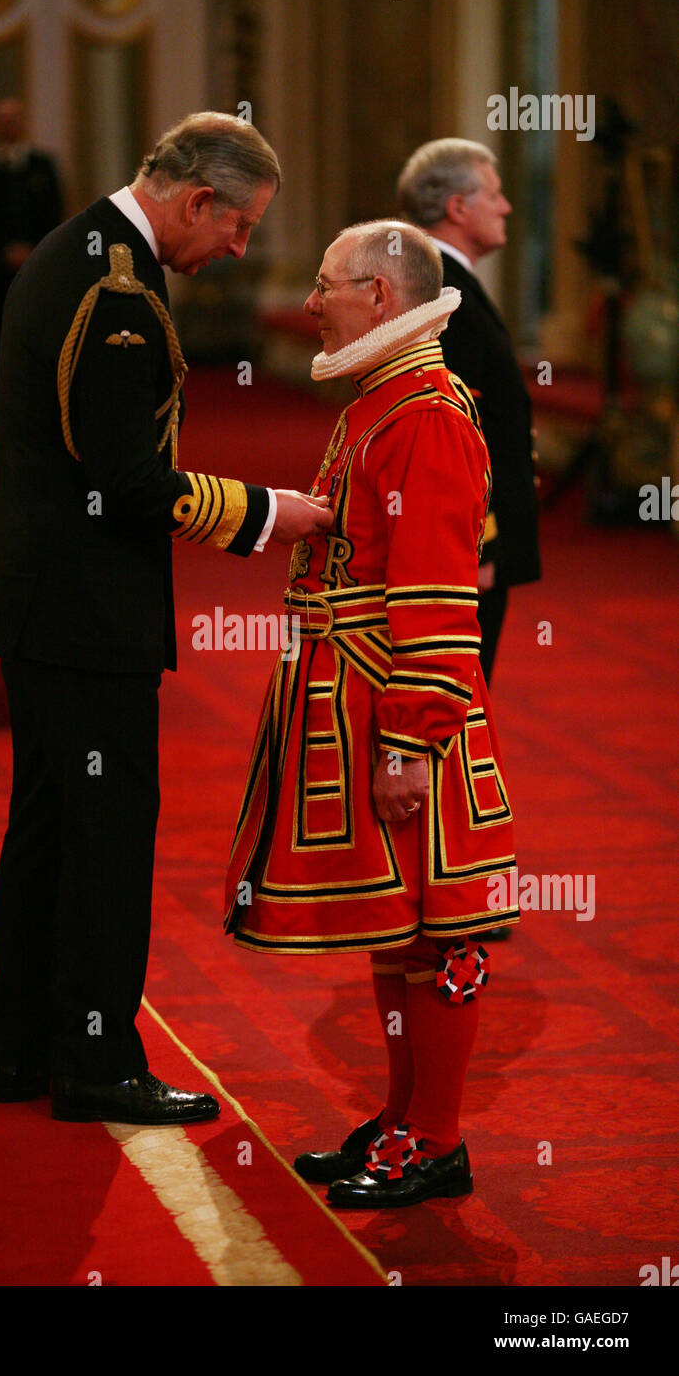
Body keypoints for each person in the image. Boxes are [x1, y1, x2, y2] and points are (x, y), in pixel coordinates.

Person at [0, 112, 332, 1127]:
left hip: (40, 594)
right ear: (196, 198)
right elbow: (126, 482)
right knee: (105, 834)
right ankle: (97, 1063)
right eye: (241, 226)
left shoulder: (91, 245)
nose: (240, 250)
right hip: (81, 609)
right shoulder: (116, 286)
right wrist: (266, 513)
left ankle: (24, 1051)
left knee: (47, 825)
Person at [225, 220, 518, 1207]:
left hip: (405, 711)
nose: (310, 303)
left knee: (441, 930)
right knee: (400, 930)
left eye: (324, 285)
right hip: (361, 690)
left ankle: (431, 1137)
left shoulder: (424, 412)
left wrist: (405, 740)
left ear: (379, 296)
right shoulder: (380, 399)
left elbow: (440, 597)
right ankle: (402, 1121)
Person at [396, 139, 540, 685]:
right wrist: (478, 545)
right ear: (457, 208)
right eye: (495, 194)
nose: (506, 207)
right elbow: (447, 434)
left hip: (471, 546)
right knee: (454, 702)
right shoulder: (444, 293)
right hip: (467, 552)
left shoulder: (446, 283)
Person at [0, 98, 63, 380]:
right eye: (2, 121)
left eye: (14, 121)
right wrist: (2, 251)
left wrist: (34, 252)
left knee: (35, 335)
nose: (8, 127)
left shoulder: (43, 165)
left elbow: (54, 214)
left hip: (36, 266)